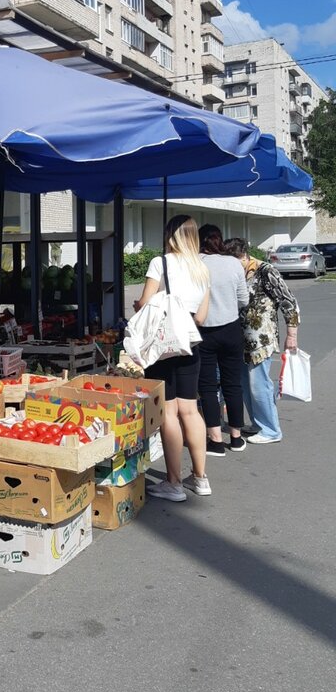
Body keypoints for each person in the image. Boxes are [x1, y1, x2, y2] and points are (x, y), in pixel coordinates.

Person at [134, 215, 211, 502]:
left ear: (170, 234)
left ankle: (174, 482)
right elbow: (202, 317)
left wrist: (139, 306)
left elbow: (144, 303)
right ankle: (201, 478)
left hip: (164, 347)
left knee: (168, 412)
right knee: (190, 410)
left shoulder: (161, 262)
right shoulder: (202, 268)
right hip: (191, 344)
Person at [224, 238, 300, 444]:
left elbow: (288, 301)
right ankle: (258, 423)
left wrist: (291, 335)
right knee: (245, 385)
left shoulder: (265, 271)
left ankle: (271, 430)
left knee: (259, 385)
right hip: (239, 338)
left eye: (236, 260)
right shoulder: (234, 272)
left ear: (244, 256)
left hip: (261, 339)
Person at [197, 224, 249, 456]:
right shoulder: (233, 263)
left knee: (207, 387)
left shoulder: (195, 263)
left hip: (204, 331)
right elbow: (243, 299)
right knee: (232, 384)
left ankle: (215, 440)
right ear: (220, 240)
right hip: (231, 329)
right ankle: (236, 438)